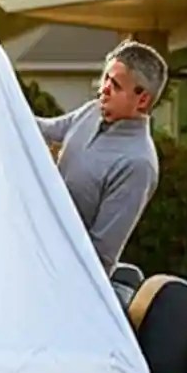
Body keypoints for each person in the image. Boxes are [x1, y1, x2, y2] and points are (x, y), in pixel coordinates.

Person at [34, 39, 168, 278]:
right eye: (106, 78)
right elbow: (43, 130)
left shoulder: (138, 165)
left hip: (60, 279)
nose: (103, 89)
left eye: (115, 85)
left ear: (143, 100)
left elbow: (101, 255)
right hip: (34, 249)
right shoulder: (92, 111)